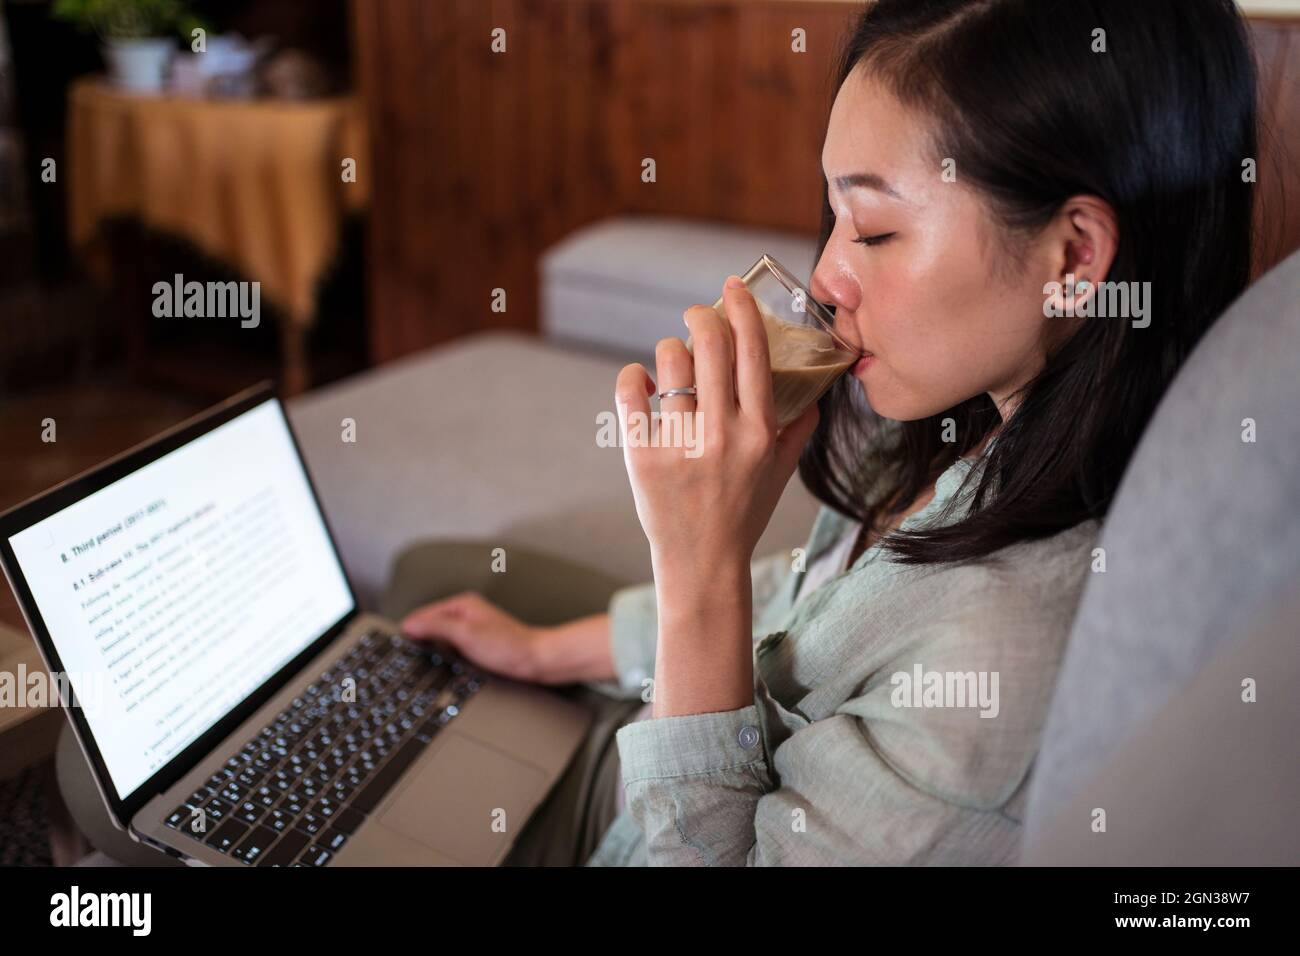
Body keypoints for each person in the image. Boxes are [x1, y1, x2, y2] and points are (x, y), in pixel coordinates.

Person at [390, 0, 1258, 865]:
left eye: (876, 228)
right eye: (833, 213)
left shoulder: (996, 662)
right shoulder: (974, 416)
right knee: (438, 576)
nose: (827, 275)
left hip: (649, 829)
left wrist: (698, 567)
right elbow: (816, 596)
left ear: (1071, 260)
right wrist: (547, 651)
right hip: (651, 749)